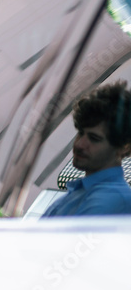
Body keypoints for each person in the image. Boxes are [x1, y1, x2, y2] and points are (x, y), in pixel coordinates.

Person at [42, 81, 131, 217]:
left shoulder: (111, 200)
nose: (79, 144)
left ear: (124, 147)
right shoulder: (80, 193)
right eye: (80, 133)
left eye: (94, 138)